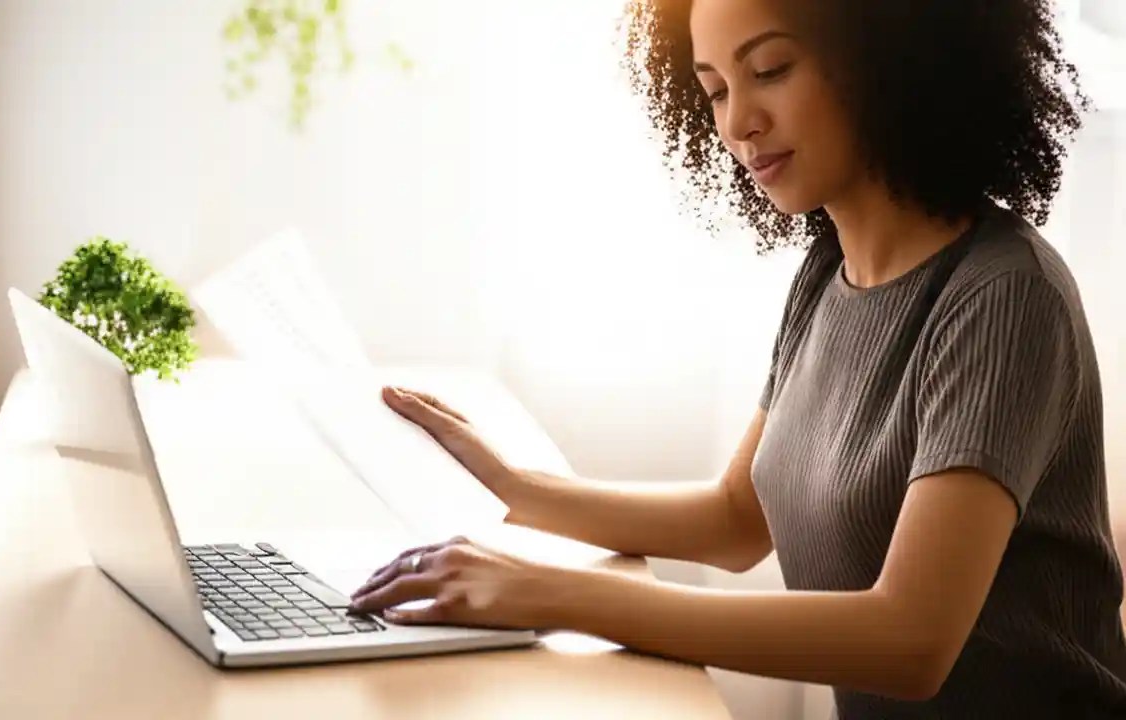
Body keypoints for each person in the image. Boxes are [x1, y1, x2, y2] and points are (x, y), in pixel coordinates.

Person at [346, 0, 1126, 716]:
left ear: (887, 53)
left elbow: (908, 641)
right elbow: (737, 518)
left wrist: (553, 595)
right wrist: (513, 488)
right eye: (715, 89)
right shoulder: (830, 272)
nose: (738, 123)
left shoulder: (1003, 298)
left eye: (771, 71)